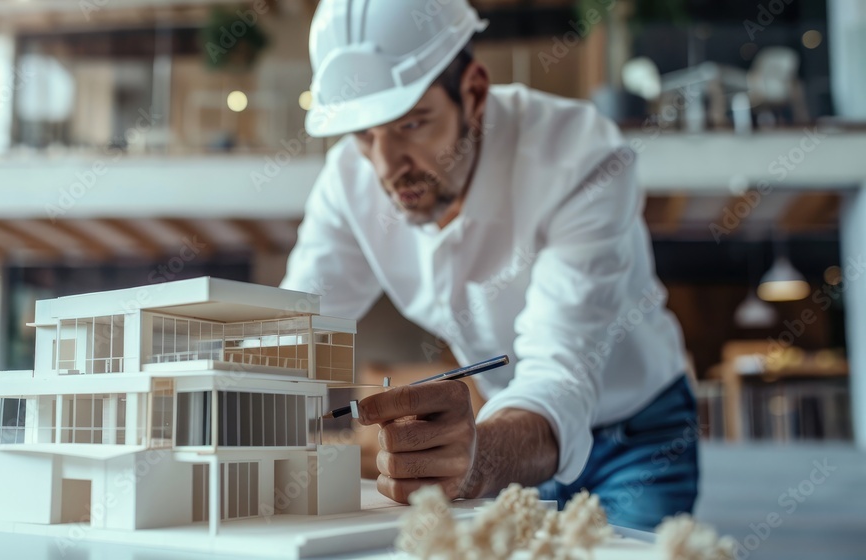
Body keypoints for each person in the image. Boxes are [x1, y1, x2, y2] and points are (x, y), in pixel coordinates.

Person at [280, 0, 698, 531]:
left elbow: (560, 373)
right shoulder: (348, 183)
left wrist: (477, 457)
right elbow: (297, 331)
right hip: (510, 432)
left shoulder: (580, 157)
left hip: (638, 430)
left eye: (411, 122)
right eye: (363, 134)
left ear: (474, 93)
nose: (386, 167)